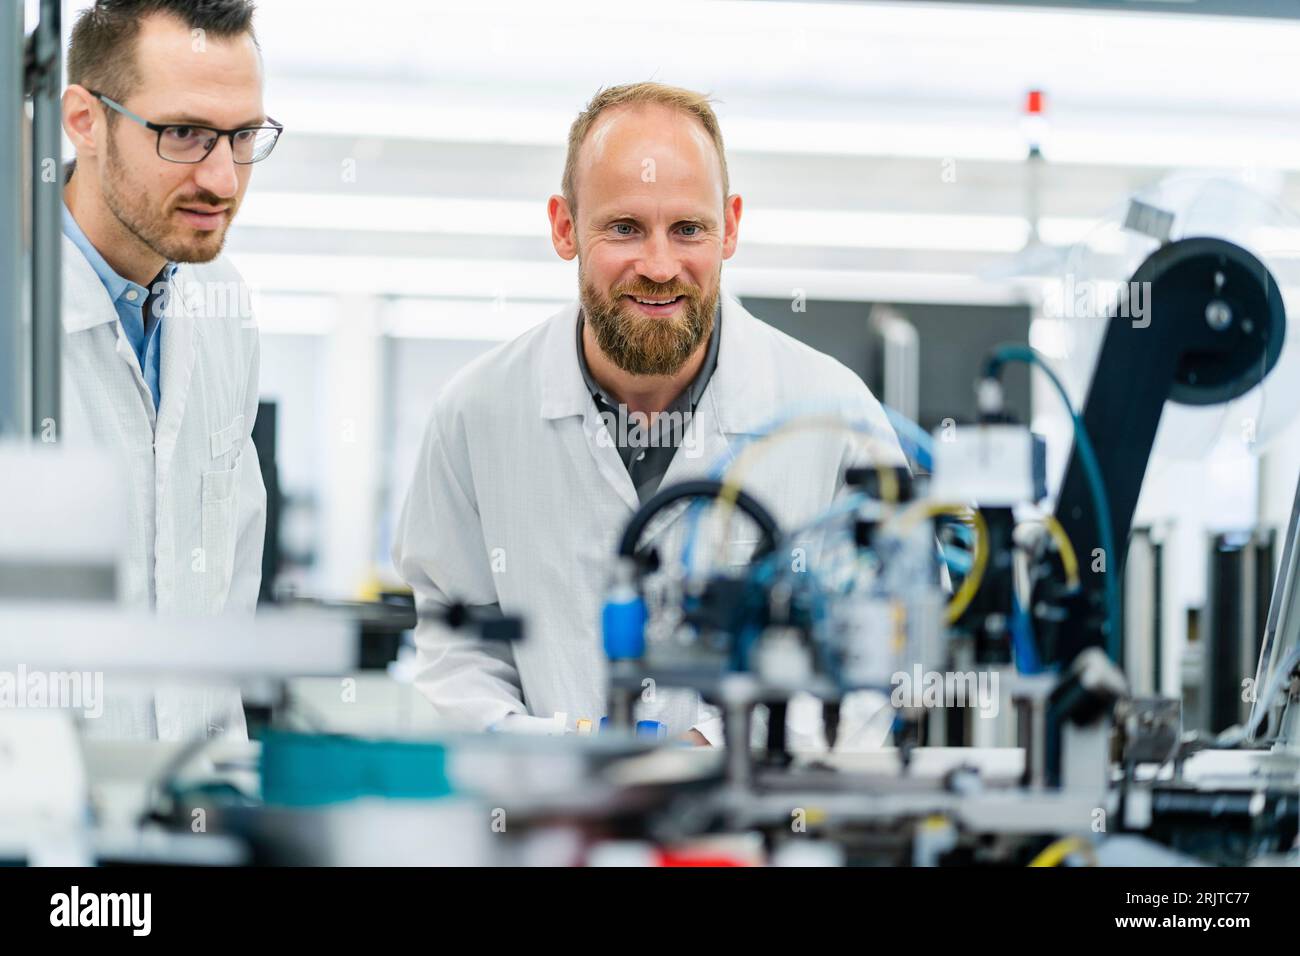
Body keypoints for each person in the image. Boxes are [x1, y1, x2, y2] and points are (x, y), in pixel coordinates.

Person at [394, 82, 901, 745]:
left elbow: (885, 659)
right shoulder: (477, 411)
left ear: (732, 227)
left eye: (688, 228)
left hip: (756, 828)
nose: (659, 266)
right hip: (550, 828)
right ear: (565, 226)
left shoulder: (833, 419)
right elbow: (452, 644)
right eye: (625, 228)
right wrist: (547, 754)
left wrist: (709, 750)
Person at [60, 0, 279, 738]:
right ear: (86, 121)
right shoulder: (16, 302)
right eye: (184, 134)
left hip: (191, 800)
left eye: (243, 136)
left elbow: (228, 590)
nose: (222, 179)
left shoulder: (225, 306)